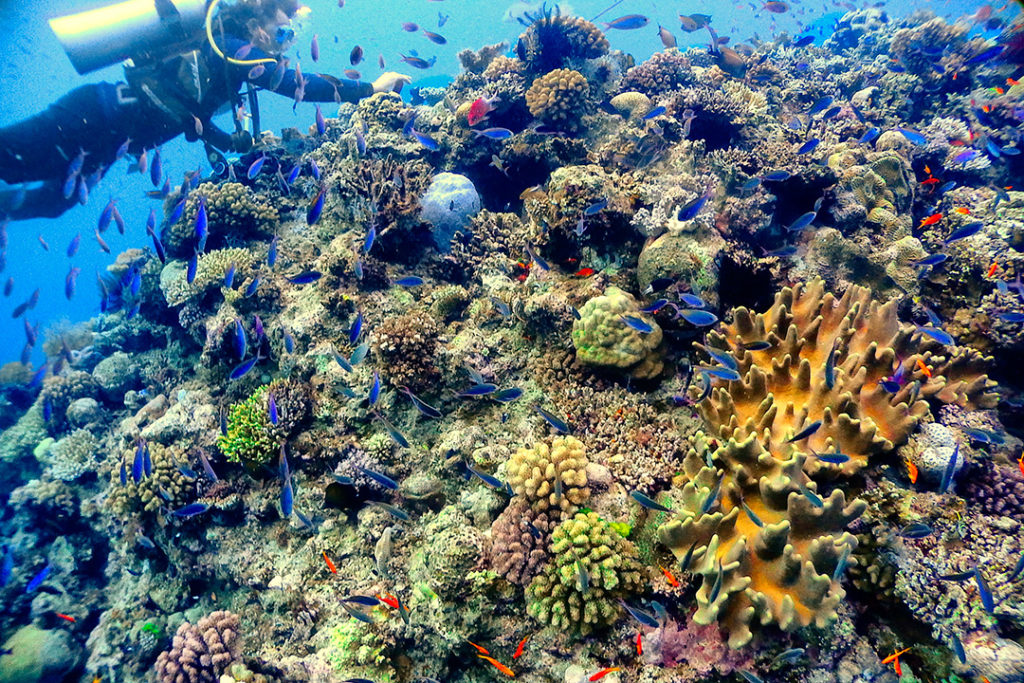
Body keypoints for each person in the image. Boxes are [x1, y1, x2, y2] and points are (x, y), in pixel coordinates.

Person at [0, 0, 410, 220]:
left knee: (55, 203)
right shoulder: (233, 47)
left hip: (106, 143)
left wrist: (221, 137)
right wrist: (369, 88)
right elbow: (289, 84)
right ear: (260, 17)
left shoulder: (227, 54)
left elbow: (189, 113)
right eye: (286, 24)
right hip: (93, 117)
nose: (289, 37)